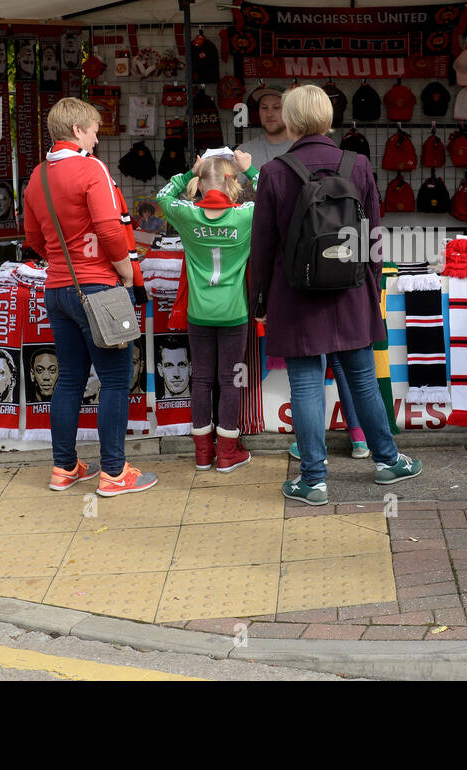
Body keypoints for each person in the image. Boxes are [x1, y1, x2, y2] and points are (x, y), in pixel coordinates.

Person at [249, 84, 422, 505]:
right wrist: (370, 286)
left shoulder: (274, 172)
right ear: (328, 119)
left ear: (289, 120)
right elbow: (374, 238)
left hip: (294, 296)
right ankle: (387, 461)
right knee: (363, 378)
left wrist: (260, 303)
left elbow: (263, 247)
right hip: (351, 292)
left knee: (306, 385)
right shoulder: (358, 165)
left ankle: (313, 481)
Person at [22, 96, 157, 496]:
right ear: (79, 130)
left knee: (69, 380)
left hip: (57, 288)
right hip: (98, 286)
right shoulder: (92, 168)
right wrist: (125, 272)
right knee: (115, 379)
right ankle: (114, 472)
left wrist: (62, 261)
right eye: (95, 130)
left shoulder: (37, 175)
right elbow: (111, 229)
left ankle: (64, 468)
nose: (98, 138)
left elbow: (32, 236)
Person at [157, 147, 259, 472]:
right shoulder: (246, 215)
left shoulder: (186, 214)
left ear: (201, 185)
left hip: (199, 312)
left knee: (201, 379)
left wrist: (190, 172)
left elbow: (162, 196)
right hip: (234, 312)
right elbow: (278, 199)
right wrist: (251, 170)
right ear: (233, 184)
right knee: (229, 380)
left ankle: (202, 454)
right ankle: (227, 453)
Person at [238, 87, 291, 168]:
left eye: (276, 107)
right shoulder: (244, 152)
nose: (269, 114)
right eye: (264, 108)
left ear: (290, 111)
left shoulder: (304, 150)